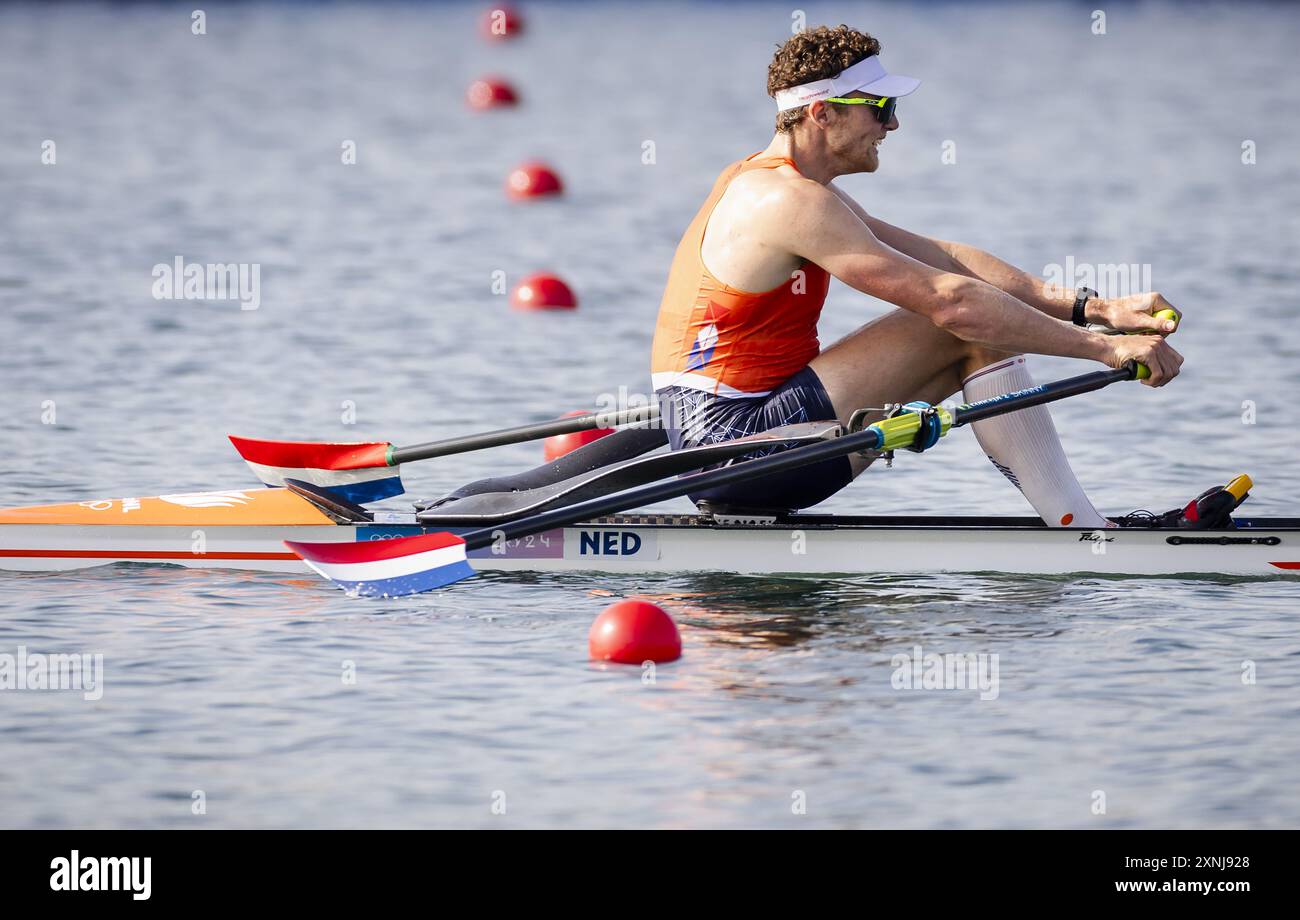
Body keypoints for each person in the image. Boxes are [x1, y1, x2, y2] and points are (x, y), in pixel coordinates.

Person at [648, 24, 1183, 525]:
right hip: (733, 448)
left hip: (731, 435)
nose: (892, 125)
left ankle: (1079, 526)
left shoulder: (782, 186)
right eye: (880, 107)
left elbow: (946, 260)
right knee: (961, 324)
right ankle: (1084, 531)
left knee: (975, 313)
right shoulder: (785, 201)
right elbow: (951, 303)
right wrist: (1106, 349)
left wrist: (1095, 310)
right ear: (821, 113)